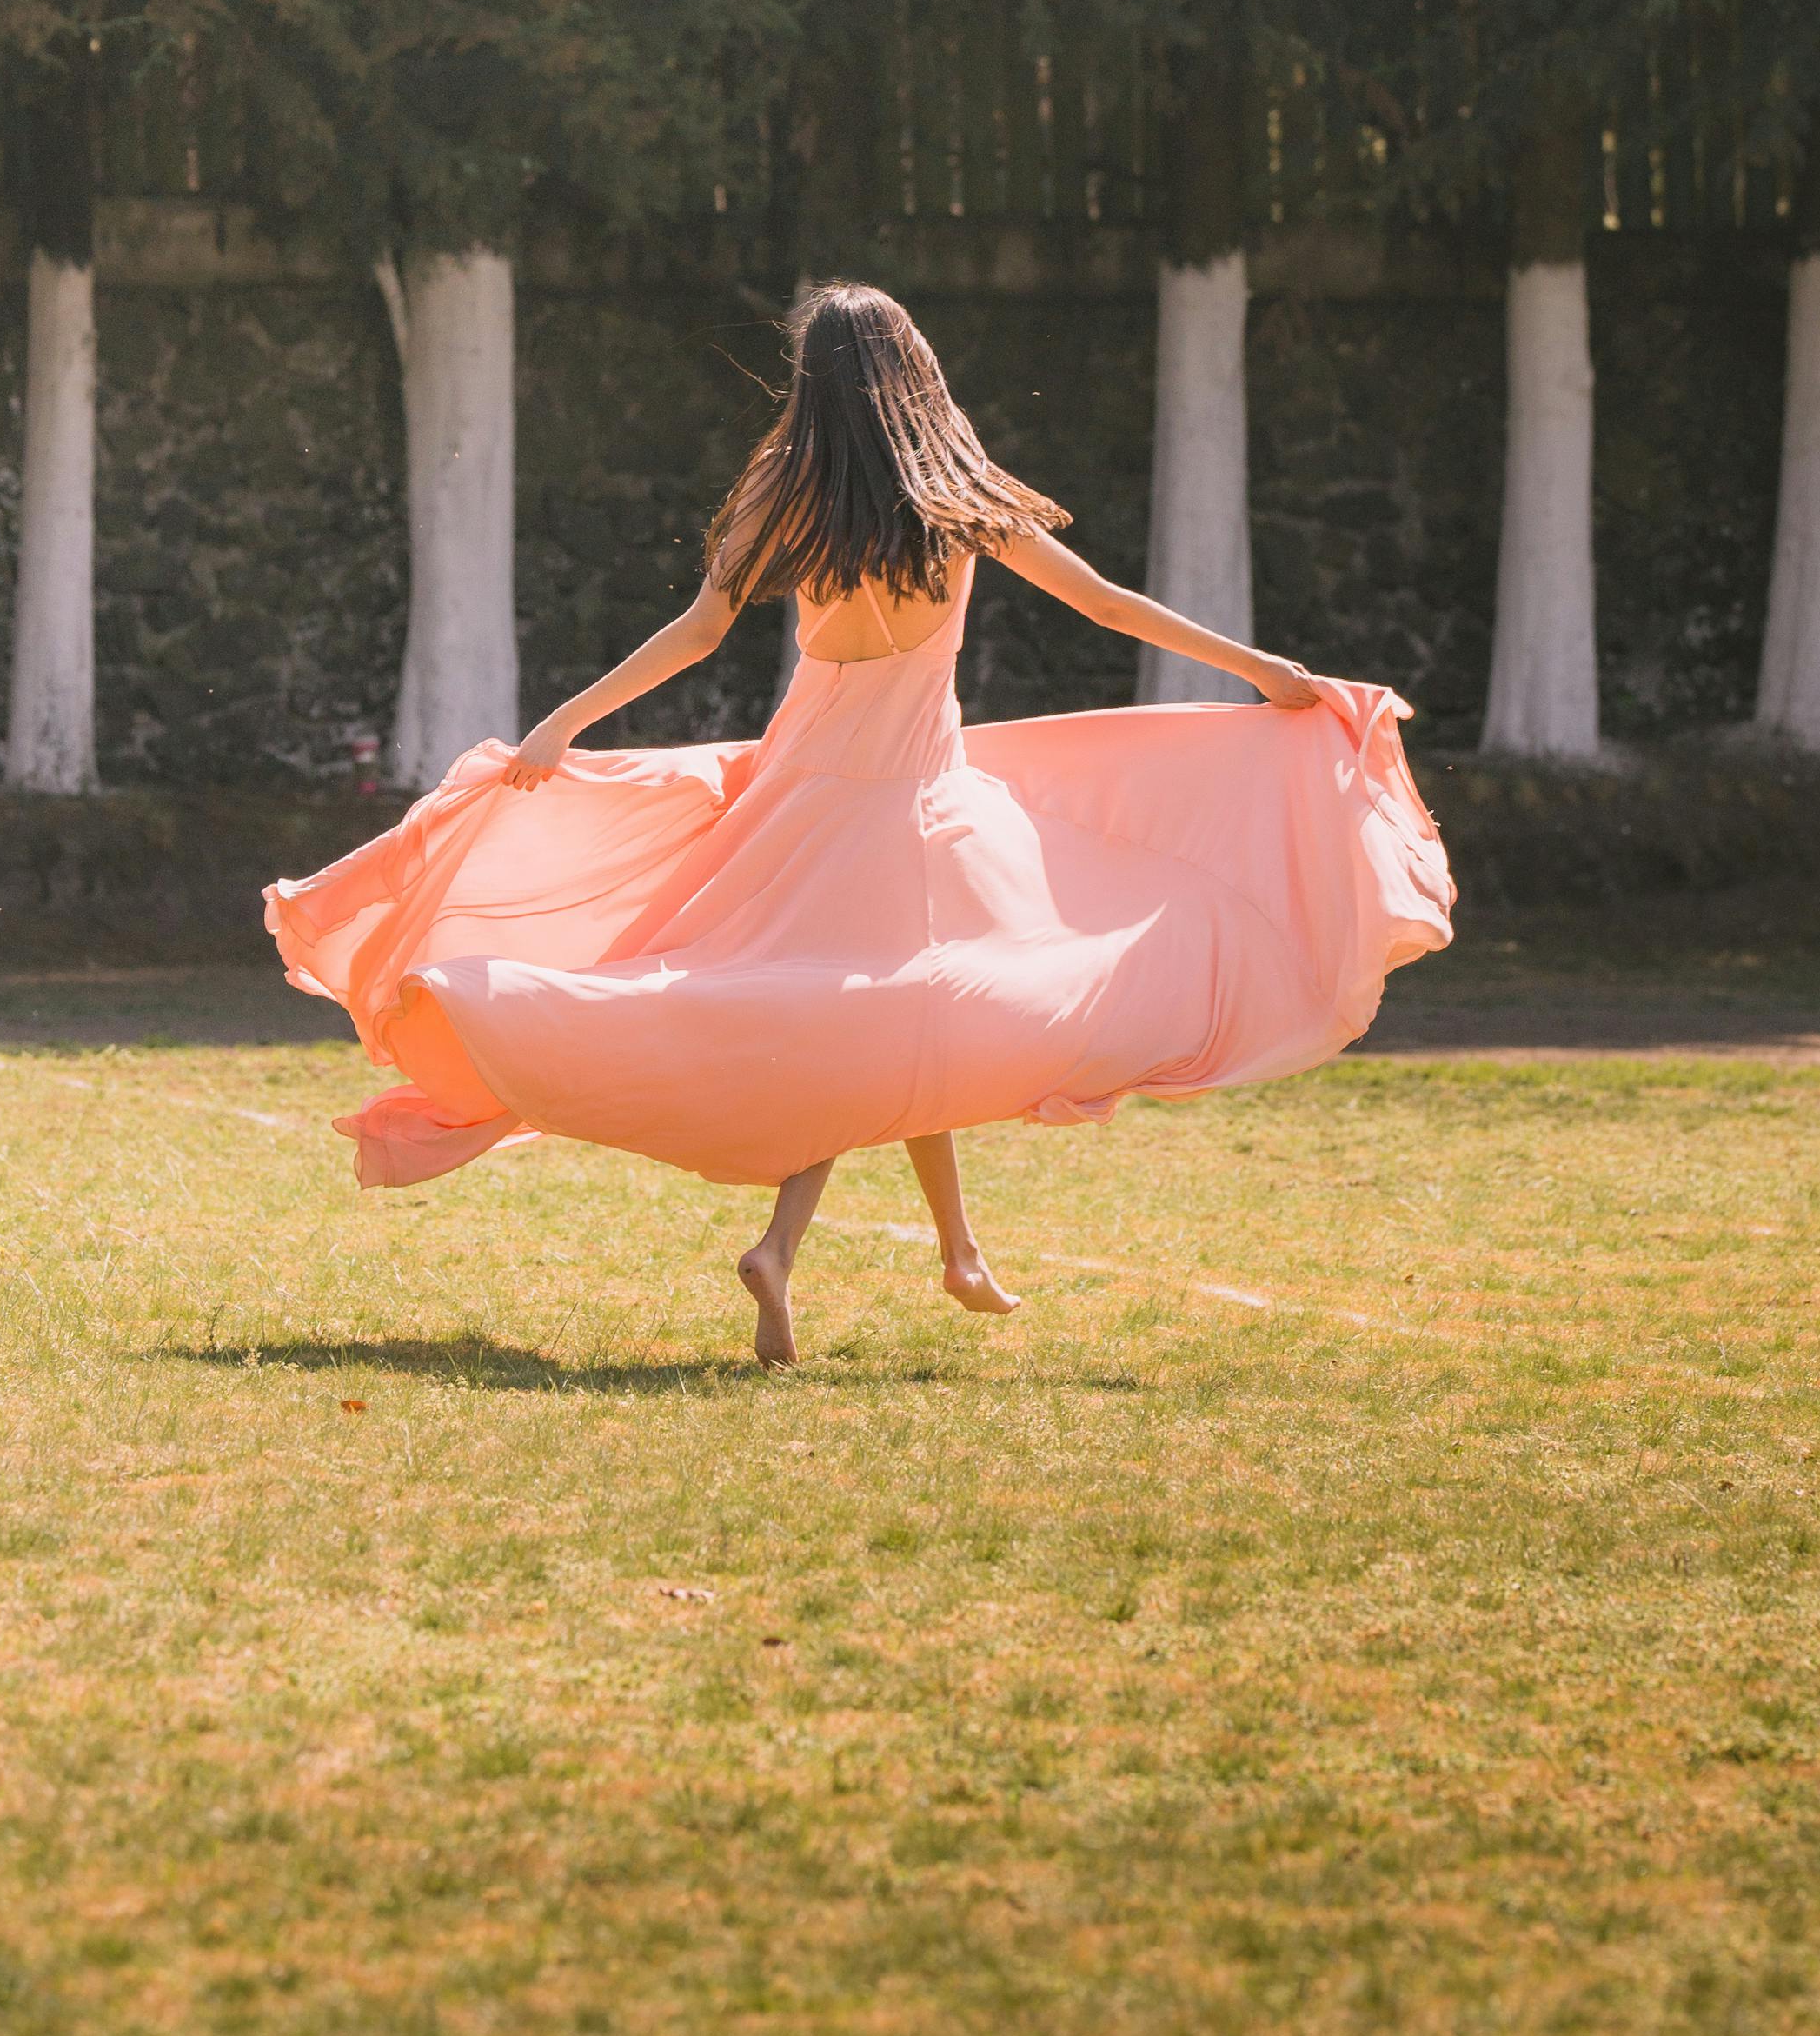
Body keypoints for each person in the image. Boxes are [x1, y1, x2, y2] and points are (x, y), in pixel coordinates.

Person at [267, 283, 1452, 1367]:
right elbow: (1103, 601)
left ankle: (929, 1250)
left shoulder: (790, 506)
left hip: (803, 801)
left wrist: (559, 727)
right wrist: (1262, 671)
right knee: (889, 1016)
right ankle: (848, 1247)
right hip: (918, 808)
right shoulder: (959, 507)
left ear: (813, 391)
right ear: (915, 377)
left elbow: (693, 632)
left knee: (881, 1017)